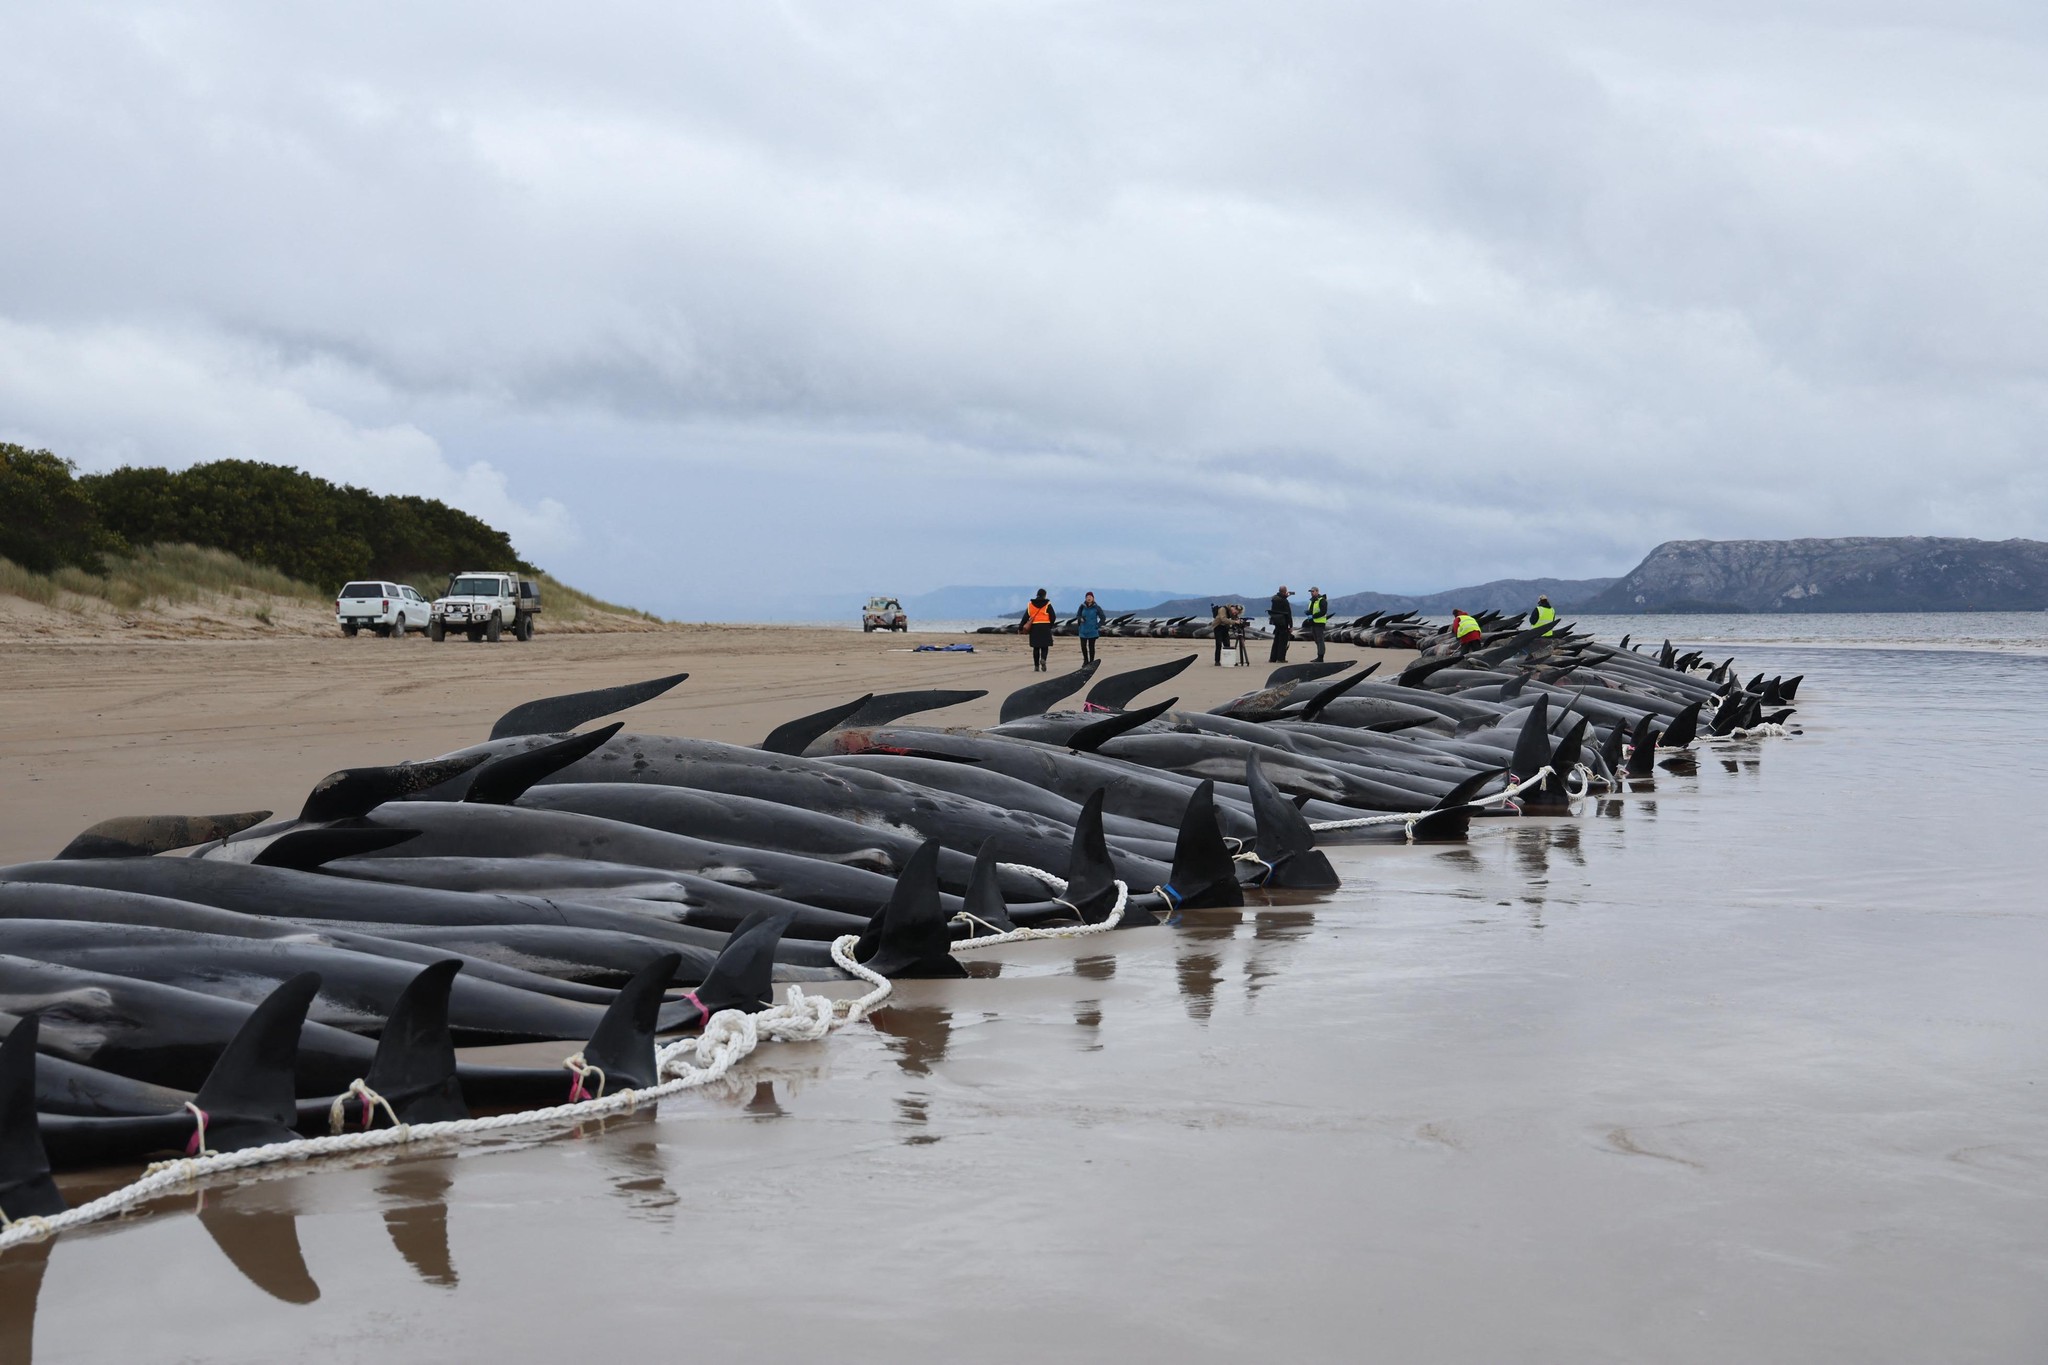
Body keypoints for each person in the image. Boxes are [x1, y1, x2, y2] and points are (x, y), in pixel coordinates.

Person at [1022, 589, 1057, 672]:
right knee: (1045, 646)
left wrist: (1021, 627)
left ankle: (1036, 666)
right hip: (1045, 627)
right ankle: (1043, 659)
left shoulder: (1030, 605)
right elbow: (1053, 616)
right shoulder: (1047, 604)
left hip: (1034, 628)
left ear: (1037, 594)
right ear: (1044, 595)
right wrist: (1050, 625)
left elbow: (1025, 617)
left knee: (1036, 648)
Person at [1075, 592, 1106, 665]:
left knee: (1091, 646)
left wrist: (1097, 626)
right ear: (1085, 598)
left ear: (1093, 598)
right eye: (1087, 597)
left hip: (1092, 630)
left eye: (1090, 597)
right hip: (1083, 630)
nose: (1089, 598)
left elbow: (1103, 618)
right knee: (1083, 646)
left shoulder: (1096, 607)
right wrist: (1080, 619)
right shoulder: (1082, 606)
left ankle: (1091, 662)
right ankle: (1085, 660)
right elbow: (1078, 615)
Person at [1268, 585, 1293, 664]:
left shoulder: (1274, 599)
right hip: (1283, 622)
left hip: (1276, 621)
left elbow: (1279, 603)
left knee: (1276, 640)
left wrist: (1284, 597)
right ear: (1285, 591)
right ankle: (1280, 658)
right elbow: (1288, 613)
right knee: (1283, 641)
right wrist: (1290, 625)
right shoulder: (1284, 601)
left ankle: (1273, 658)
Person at [1304, 586, 1330, 662]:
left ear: (1317, 591)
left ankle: (1320, 657)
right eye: (1311, 592)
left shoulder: (1322, 600)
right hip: (1313, 623)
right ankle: (1319, 656)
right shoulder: (1312, 601)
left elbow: (1323, 612)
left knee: (1320, 640)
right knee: (1316, 640)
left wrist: (1313, 616)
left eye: (1313, 591)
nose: (1311, 593)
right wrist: (1308, 613)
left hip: (1319, 623)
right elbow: (1312, 611)